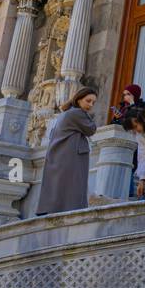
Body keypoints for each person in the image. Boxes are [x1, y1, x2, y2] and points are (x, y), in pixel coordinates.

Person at [35, 87, 98, 216]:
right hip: (71, 155)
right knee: (73, 186)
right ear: (79, 99)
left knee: (60, 186)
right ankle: (71, 212)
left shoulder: (66, 113)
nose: (91, 105)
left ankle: (51, 209)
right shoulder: (77, 113)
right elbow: (91, 129)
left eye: (93, 102)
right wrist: (89, 117)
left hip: (61, 155)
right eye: (88, 101)